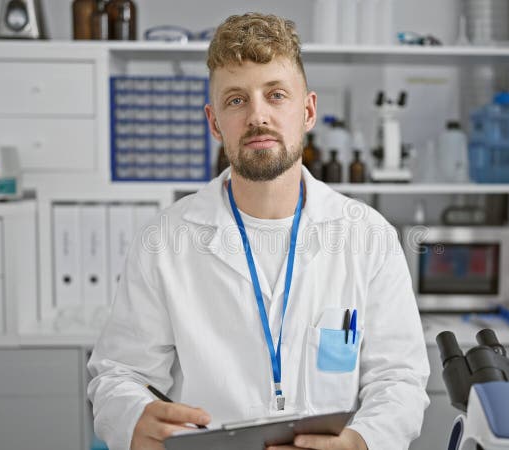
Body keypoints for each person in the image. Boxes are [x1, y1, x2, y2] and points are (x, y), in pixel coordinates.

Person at [87, 12, 429, 450]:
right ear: (214, 123)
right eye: (236, 100)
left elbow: (399, 378)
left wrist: (359, 443)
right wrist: (134, 418)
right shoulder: (164, 242)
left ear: (307, 111)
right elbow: (118, 373)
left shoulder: (369, 236)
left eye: (276, 95)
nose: (257, 116)